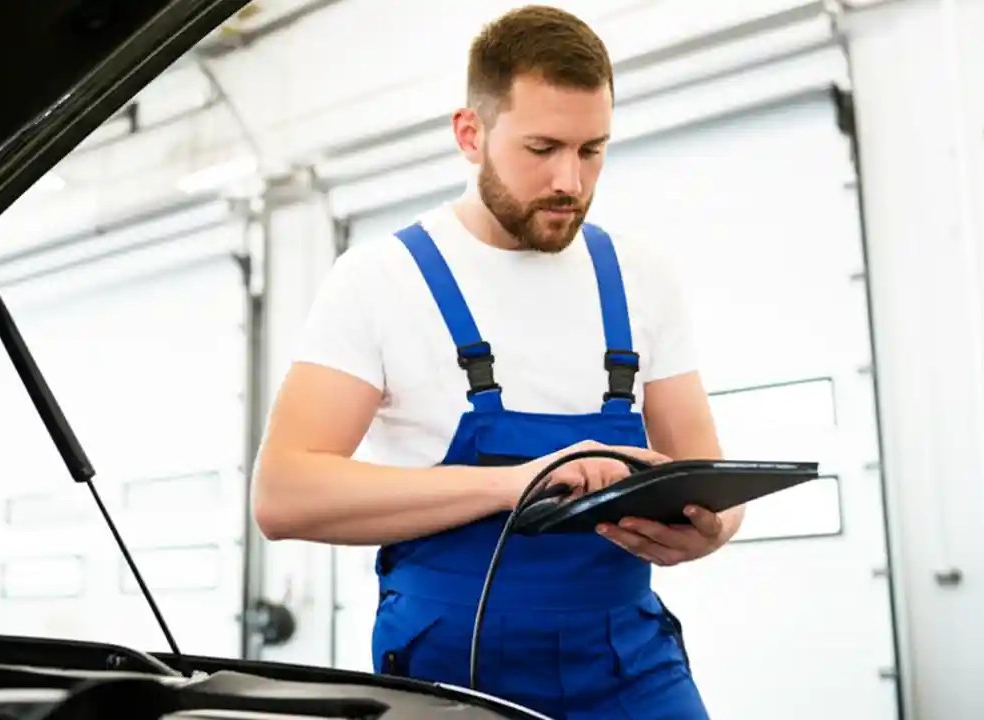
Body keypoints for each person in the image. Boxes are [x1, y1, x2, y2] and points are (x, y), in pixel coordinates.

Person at [253, 5, 743, 718]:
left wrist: (707, 532)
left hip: (629, 662)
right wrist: (516, 485)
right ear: (470, 134)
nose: (570, 181)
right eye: (542, 148)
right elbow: (284, 494)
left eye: (592, 150)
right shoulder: (381, 280)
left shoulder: (642, 278)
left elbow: (705, 474)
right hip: (452, 667)